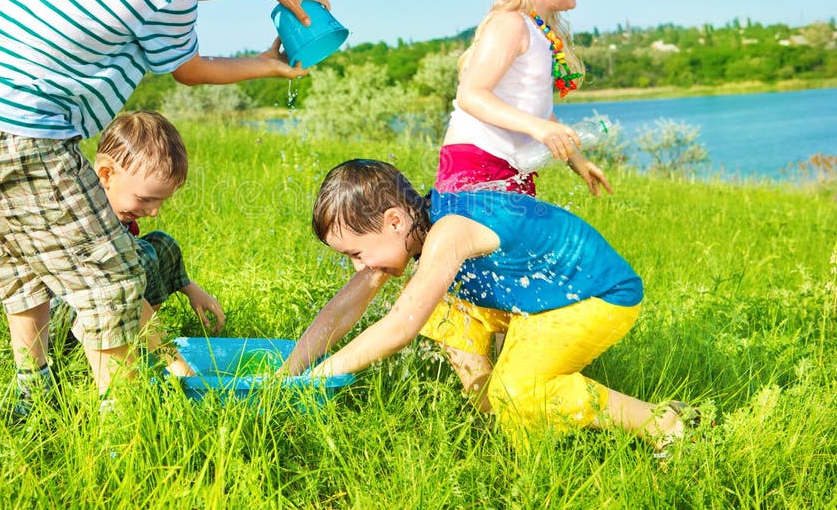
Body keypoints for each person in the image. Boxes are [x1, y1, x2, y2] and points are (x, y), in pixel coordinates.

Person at [0, 0, 328, 414]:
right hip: (27, 132)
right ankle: (123, 429)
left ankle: (31, 392)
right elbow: (189, 67)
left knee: (19, 261)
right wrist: (268, 65)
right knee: (111, 279)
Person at [285, 159, 695, 455]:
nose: (358, 266)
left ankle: (664, 424)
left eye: (356, 253)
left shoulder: (450, 231)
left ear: (393, 220)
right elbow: (342, 309)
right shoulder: (413, 228)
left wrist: (319, 376)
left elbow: (400, 327)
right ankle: (494, 419)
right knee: (443, 310)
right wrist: (288, 373)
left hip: (595, 297)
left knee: (519, 392)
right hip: (543, 299)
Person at [437, 0, 611, 199]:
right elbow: (471, 94)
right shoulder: (510, 24)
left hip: (508, 168)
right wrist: (538, 128)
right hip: (475, 166)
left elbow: (537, 110)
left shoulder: (538, 31)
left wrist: (578, 160)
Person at [49, 111, 224, 379]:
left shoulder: (115, 210)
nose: (153, 212)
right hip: (62, 319)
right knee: (140, 257)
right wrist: (174, 362)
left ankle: (138, 340)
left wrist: (191, 289)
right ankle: (123, 351)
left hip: (112, 300)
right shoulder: (86, 219)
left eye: (160, 202)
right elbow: (120, 285)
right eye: (145, 199)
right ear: (106, 175)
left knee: (160, 246)